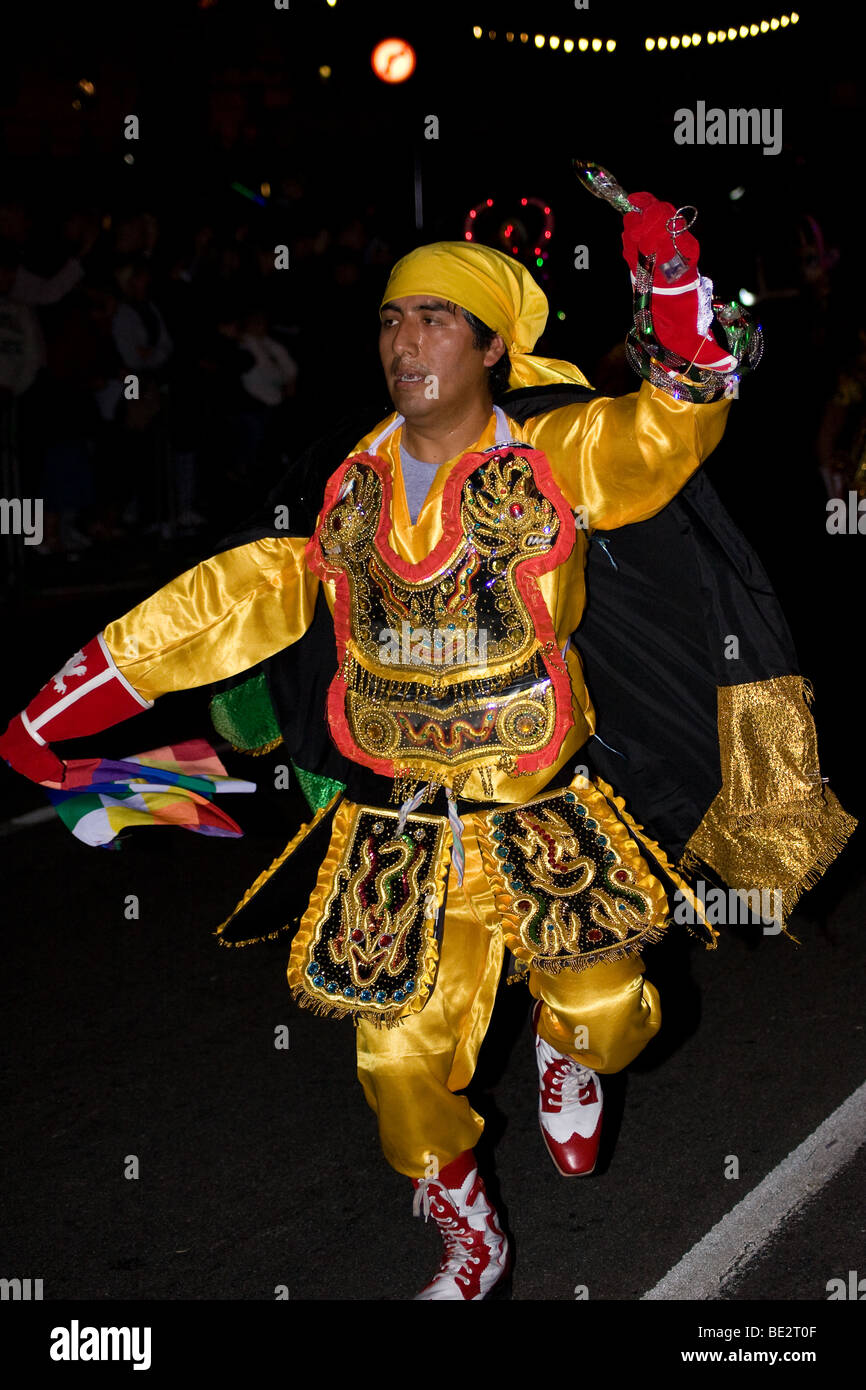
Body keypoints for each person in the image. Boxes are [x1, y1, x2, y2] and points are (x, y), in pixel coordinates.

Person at [0, 193, 853, 1301]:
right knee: (396, 1066)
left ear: (495, 345)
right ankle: (468, 1235)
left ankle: (564, 1055)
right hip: (397, 830)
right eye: (394, 320)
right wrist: (49, 720)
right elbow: (226, 600)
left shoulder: (559, 456)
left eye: (436, 321)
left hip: (539, 814)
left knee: (606, 1011)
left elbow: (666, 428)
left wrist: (675, 293)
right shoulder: (344, 492)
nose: (406, 341)